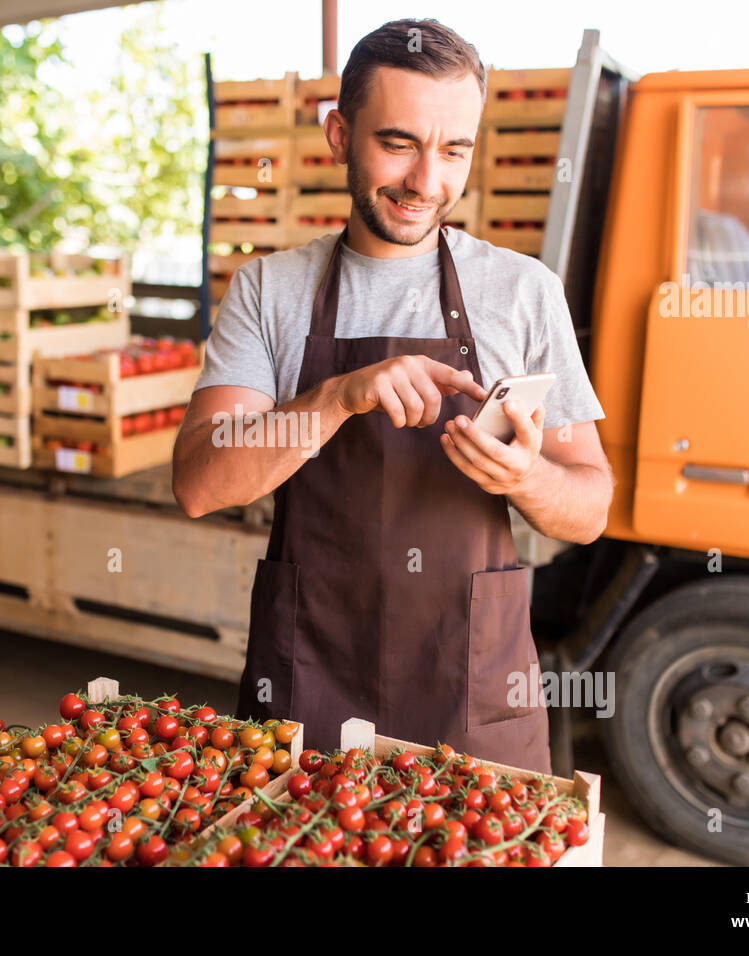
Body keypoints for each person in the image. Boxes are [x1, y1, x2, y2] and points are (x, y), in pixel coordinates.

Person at [172, 18, 614, 771]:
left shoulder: (522, 293)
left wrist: (527, 478)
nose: (426, 182)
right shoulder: (270, 290)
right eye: (399, 143)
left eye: (454, 151)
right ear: (339, 134)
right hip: (309, 671)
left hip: (469, 681)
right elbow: (199, 483)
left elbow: (591, 507)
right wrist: (336, 397)